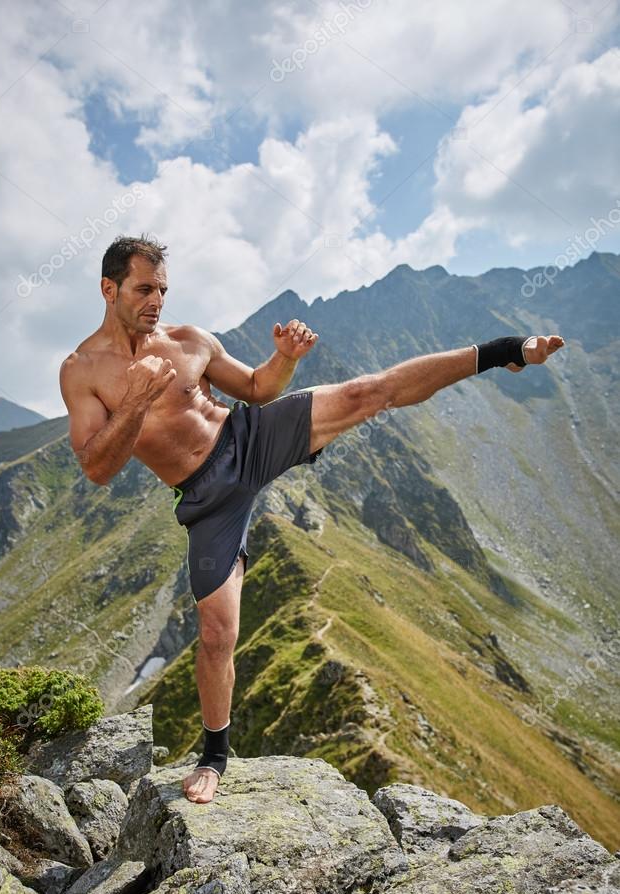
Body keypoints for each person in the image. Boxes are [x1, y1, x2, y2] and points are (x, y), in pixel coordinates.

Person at [59, 233, 565, 805]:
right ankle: (215, 755)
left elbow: (255, 387)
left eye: (164, 289)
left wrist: (284, 360)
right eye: (144, 289)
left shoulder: (189, 340)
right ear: (109, 288)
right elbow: (97, 466)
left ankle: (504, 351)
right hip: (205, 498)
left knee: (366, 393)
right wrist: (136, 401)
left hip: (247, 437)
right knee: (217, 634)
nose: (157, 301)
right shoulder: (82, 371)